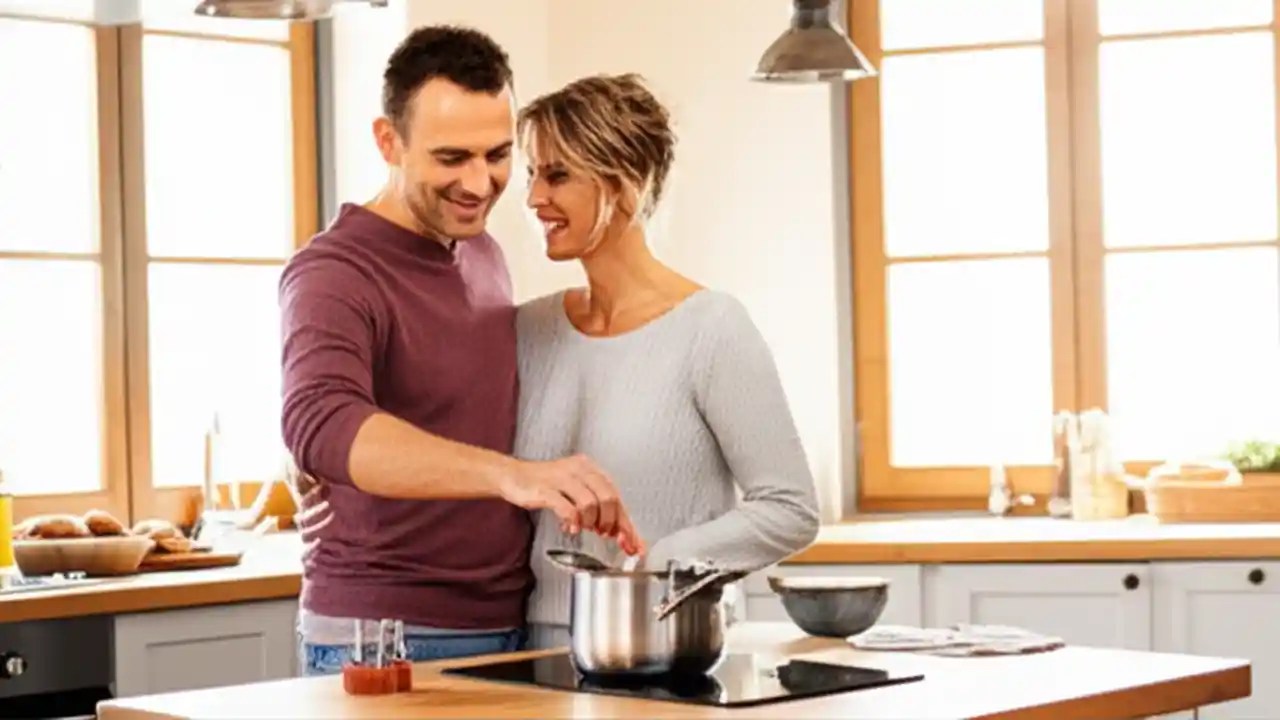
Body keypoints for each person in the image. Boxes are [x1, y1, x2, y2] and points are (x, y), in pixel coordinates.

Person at [278, 26, 642, 676]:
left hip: (509, 624)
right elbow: (322, 424)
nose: (480, 184)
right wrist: (512, 474)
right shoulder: (334, 271)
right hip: (386, 634)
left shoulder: (482, 251)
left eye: (497, 154)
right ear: (389, 141)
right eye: (452, 159)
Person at [513, 73, 822, 650]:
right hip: (538, 651)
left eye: (556, 175)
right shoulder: (529, 330)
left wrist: (663, 561)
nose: (533, 198)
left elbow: (791, 509)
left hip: (669, 644)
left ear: (625, 186)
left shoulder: (711, 328)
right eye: (532, 174)